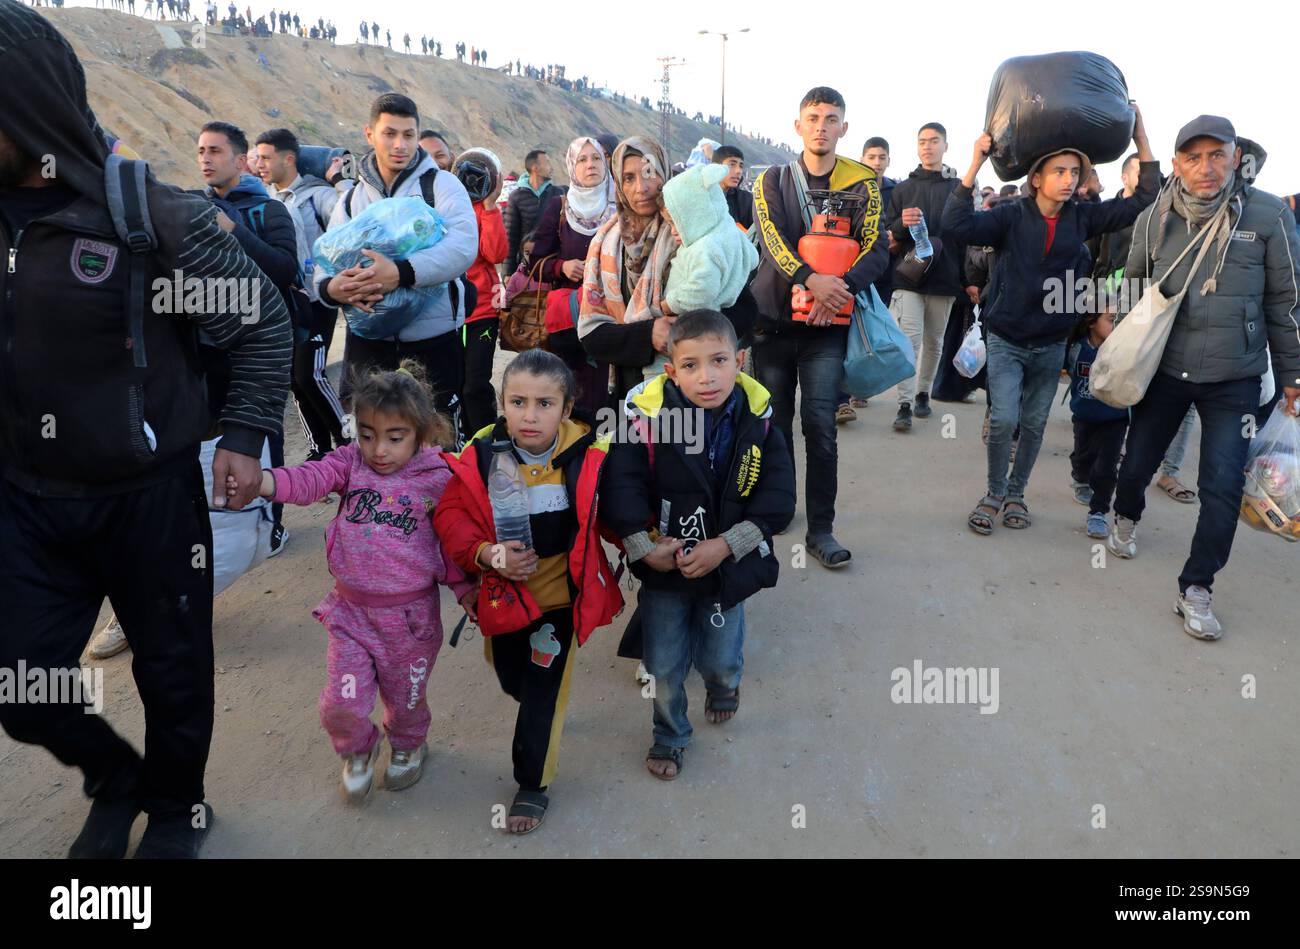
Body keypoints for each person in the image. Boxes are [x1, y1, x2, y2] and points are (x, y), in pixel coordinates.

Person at [0, 0, 290, 859]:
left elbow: (260, 322)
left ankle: (173, 807)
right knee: (21, 682)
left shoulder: (147, 220)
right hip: (24, 497)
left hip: (147, 498)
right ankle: (114, 776)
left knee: (170, 670)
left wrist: (242, 432)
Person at [1108, 115, 1300, 640]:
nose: (1206, 167)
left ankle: (1196, 588)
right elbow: (1134, 286)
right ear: (1176, 165)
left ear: (1237, 156)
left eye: (1217, 154)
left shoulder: (1268, 216)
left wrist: (1292, 375)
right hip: (1165, 369)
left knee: (1220, 488)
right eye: (1193, 157)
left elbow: (1286, 301)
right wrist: (1114, 337)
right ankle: (1126, 515)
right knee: (1139, 462)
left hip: (1233, 378)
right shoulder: (1155, 217)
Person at [255, 363, 473, 801]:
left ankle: (410, 747)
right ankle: (358, 750)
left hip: (411, 622)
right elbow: (309, 478)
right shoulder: (350, 463)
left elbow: (454, 542)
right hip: (350, 614)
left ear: (423, 433)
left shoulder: (441, 477)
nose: (378, 449)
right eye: (368, 433)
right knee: (341, 701)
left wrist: (468, 592)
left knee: (406, 699)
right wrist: (262, 482)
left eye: (395, 437)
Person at [942, 105, 1157, 536]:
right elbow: (955, 223)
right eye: (1059, 171)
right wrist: (975, 161)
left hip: (1051, 343)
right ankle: (994, 492)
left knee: (1035, 424)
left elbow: (1143, 200)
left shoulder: (1083, 218)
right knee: (1004, 419)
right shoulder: (1010, 216)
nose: (1068, 180)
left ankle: (1017, 494)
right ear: (1037, 178)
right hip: (1006, 338)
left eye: (1074, 173)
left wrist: (1141, 137)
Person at [434, 351, 624, 834]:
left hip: (560, 601)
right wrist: (486, 555)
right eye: (518, 402)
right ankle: (544, 705)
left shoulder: (591, 453)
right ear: (502, 403)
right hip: (504, 601)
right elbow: (450, 517)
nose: (530, 415)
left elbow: (619, 512)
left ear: (567, 407)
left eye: (545, 403)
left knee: (542, 692)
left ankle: (532, 784)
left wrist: (646, 543)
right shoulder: (480, 454)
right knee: (511, 677)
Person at [600, 311, 795, 780]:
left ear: (741, 361)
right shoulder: (645, 422)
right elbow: (620, 485)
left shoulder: (761, 423)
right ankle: (669, 734)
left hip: (727, 569)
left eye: (718, 361)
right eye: (690, 365)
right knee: (663, 662)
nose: (706, 377)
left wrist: (727, 545)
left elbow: (778, 499)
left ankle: (724, 687)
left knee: (720, 655)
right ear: (670, 371)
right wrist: (642, 546)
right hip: (666, 568)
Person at [750, 86, 887, 568]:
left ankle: (822, 529)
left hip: (828, 325)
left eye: (831, 118)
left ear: (843, 128)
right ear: (798, 126)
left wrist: (839, 288)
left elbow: (877, 248)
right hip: (772, 324)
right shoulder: (770, 180)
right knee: (776, 424)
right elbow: (772, 238)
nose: (822, 126)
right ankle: (781, 506)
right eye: (813, 117)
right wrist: (812, 279)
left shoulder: (863, 183)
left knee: (821, 427)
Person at [316, 93, 478, 440]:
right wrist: (332, 289)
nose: (400, 144)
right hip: (366, 344)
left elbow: (463, 246)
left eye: (408, 134)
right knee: (368, 438)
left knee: (436, 439)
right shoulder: (351, 199)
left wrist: (401, 272)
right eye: (389, 134)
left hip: (433, 340)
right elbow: (325, 260)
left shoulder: (442, 186)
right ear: (369, 134)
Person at [198, 120, 300, 556]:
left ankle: (273, 523)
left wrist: (234, 231)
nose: (205, 158)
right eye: (201, 150)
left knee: (263, 429)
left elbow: (284, 269)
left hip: (263, 343)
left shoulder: (268, 210)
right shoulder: (192, 207)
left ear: (241, 161)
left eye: (216, 151)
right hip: (208, 345)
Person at [254, 127, 349, 462]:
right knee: (296, 379)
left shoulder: (315, 196)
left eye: (266, 157)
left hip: (317, 300)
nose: (260, 164)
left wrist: (338, 180)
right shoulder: (263, 197)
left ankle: (348, 441)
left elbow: (350, 213)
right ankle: (319, 449)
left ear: (289, 158)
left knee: (311, 374)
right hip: (283, 304)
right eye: (257, 157)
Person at [886, 122, 976, 432]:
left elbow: (966, 237)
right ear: (916, 146)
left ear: (946, 146)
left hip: (946, 275)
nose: (927, 146)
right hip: (908, 275)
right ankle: (904, 403)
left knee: (935, 341)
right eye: (922, 141)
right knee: (909, 340)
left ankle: (924, 392)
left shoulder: (958, 189)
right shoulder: (902, 189)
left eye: (934, 140)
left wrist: (968, 280)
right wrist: (900, 223)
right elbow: (888, 235)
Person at [526, 136, 616, 417]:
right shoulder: (560, 206)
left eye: (597, 158)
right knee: (564, 386)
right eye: (582, 159)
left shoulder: (619, 206)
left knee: (597, 390)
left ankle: (595, 455)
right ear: (572, 167)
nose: (591, 165)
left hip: (608, 315)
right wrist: (561, 267)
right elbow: (534, 260)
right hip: (567, 317)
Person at [838, 135, 897, 419]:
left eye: (881, 158)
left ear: (888, 161)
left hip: (881, 272)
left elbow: (905, 224)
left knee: (868, 330)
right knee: (842, 332)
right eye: (871, 157)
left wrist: (894, 235)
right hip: (849, 270)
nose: (876, 163)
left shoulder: (895, 192)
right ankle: (840, 398)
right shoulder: (850, 187)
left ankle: (860, 385)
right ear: (862, 159)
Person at [453, 147, 507, 435]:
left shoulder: (486, 211)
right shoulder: (446, 206)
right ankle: (461, 440)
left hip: (483, 311)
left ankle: (487, 439)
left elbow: (496, 253)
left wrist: (489, 205)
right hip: (448, 311)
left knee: (475, 383)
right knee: (454, 381)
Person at [660, 162, 759, 317]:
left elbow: (702, 292)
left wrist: (668, 304)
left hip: (693, 321)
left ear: (697, 212)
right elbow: (752, 258)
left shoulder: (704, 247)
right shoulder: (727, 229)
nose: (672, 231)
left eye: (676, 222)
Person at [1065, 303, 1128, 539]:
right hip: (1084, 416)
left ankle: (1098, 512)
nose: (1117, 325)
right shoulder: (1075, 349)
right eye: (1111, 320)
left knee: (1106, 467)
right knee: (1083, 457)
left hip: (1116, 417)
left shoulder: (1123, 352)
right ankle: (1080, 478)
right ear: (1092, 322)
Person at [504, 148, 561, 274]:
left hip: (553, 267)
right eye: (547, 163)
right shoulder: (516, 197)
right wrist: (507, 273)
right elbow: (510, 237)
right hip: (525, 267)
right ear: (535, 168)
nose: (552, 167)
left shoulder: (558, 194)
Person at [712, 144, 752, 229]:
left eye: (741, 166)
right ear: (715, 167)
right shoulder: (702, 196)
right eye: (732, 164)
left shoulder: (746, 200)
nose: (738, 171)